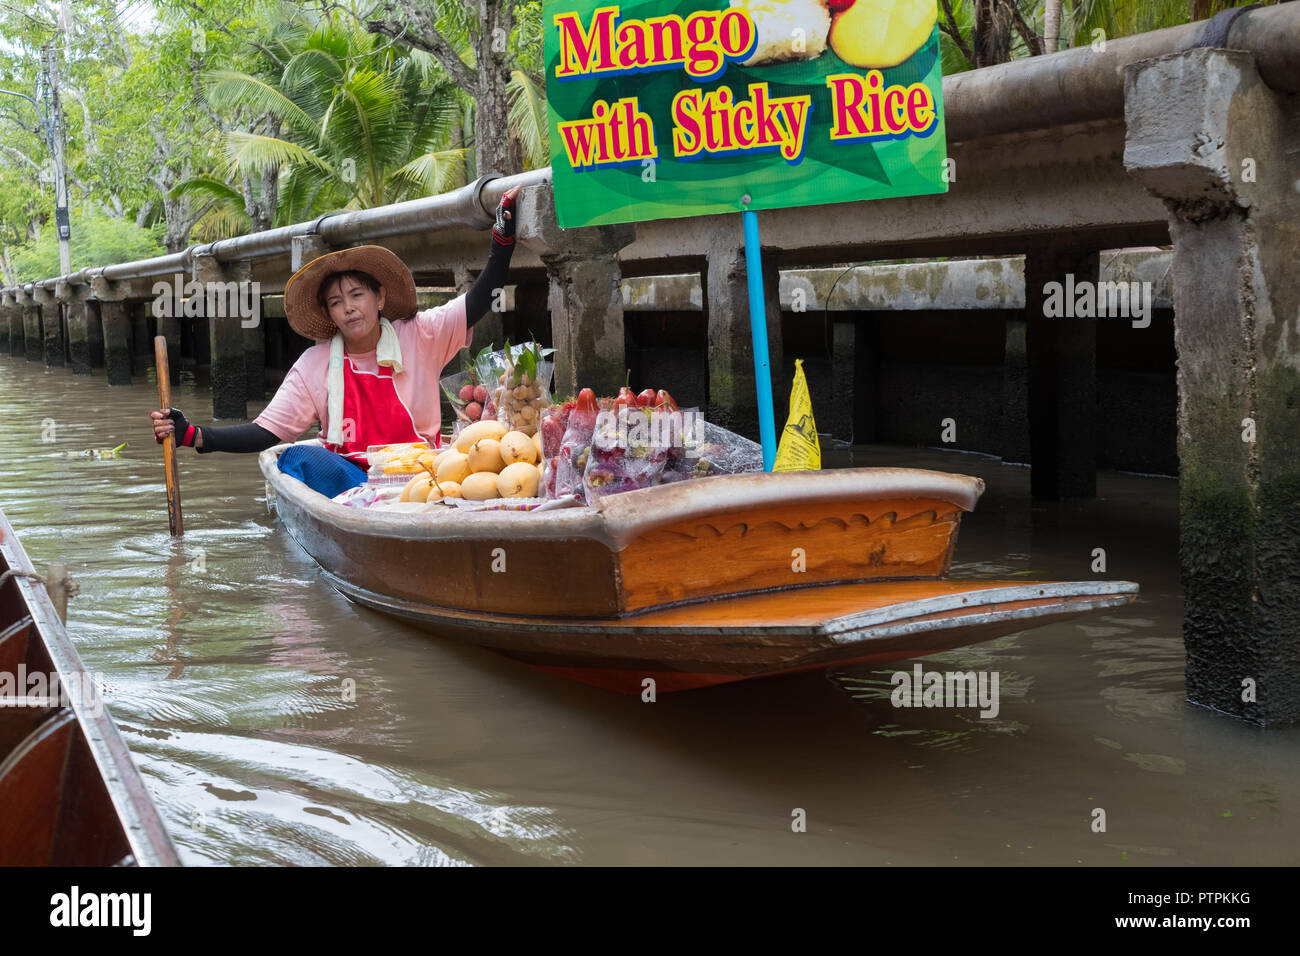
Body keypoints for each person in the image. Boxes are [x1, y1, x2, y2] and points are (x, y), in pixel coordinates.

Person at [150, 186, 521, 498]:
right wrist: (194, 435)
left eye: (357, 295)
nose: (349, 309)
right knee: (295, 458)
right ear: (329, 315)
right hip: (353, 481)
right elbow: (268, 432)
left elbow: (481, 298)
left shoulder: (420, 333)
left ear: (379, 298)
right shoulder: (316, 363)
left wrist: (502, 239)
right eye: (336, 302)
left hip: (425, 477)